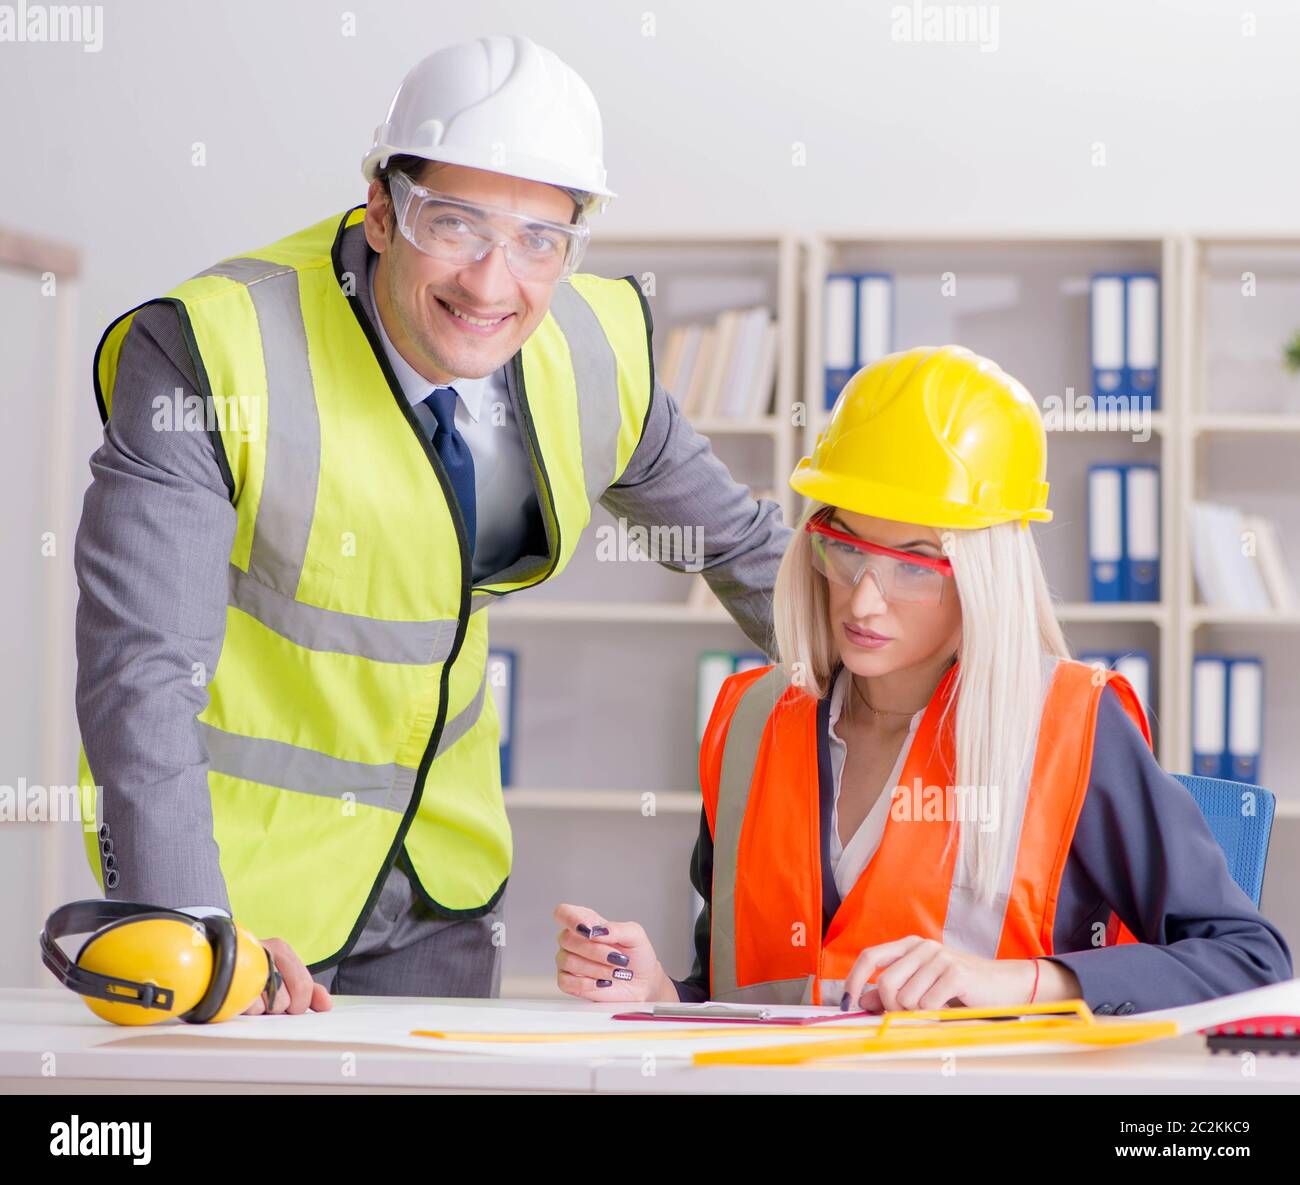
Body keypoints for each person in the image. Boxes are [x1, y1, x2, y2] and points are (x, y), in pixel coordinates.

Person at [73, 35, 790, 1015]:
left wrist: (971, 676)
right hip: (244, 890)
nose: (493, 285)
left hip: (441, 880)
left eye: (540, 239)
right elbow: (141, 675)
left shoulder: (591, 351)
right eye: (453, 224)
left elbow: (747, 555)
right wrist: (192, 929)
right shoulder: (213, 352)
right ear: (381, 209)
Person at [554, 345, 1293, 1014]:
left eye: (914, 562)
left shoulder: (1069, 727)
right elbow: (742, 994)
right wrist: (659, 992)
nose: (864, 599)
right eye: (847, 547)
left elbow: (1252, 961)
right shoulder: (747, 725)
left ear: (984, 575)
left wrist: (1026, 980)